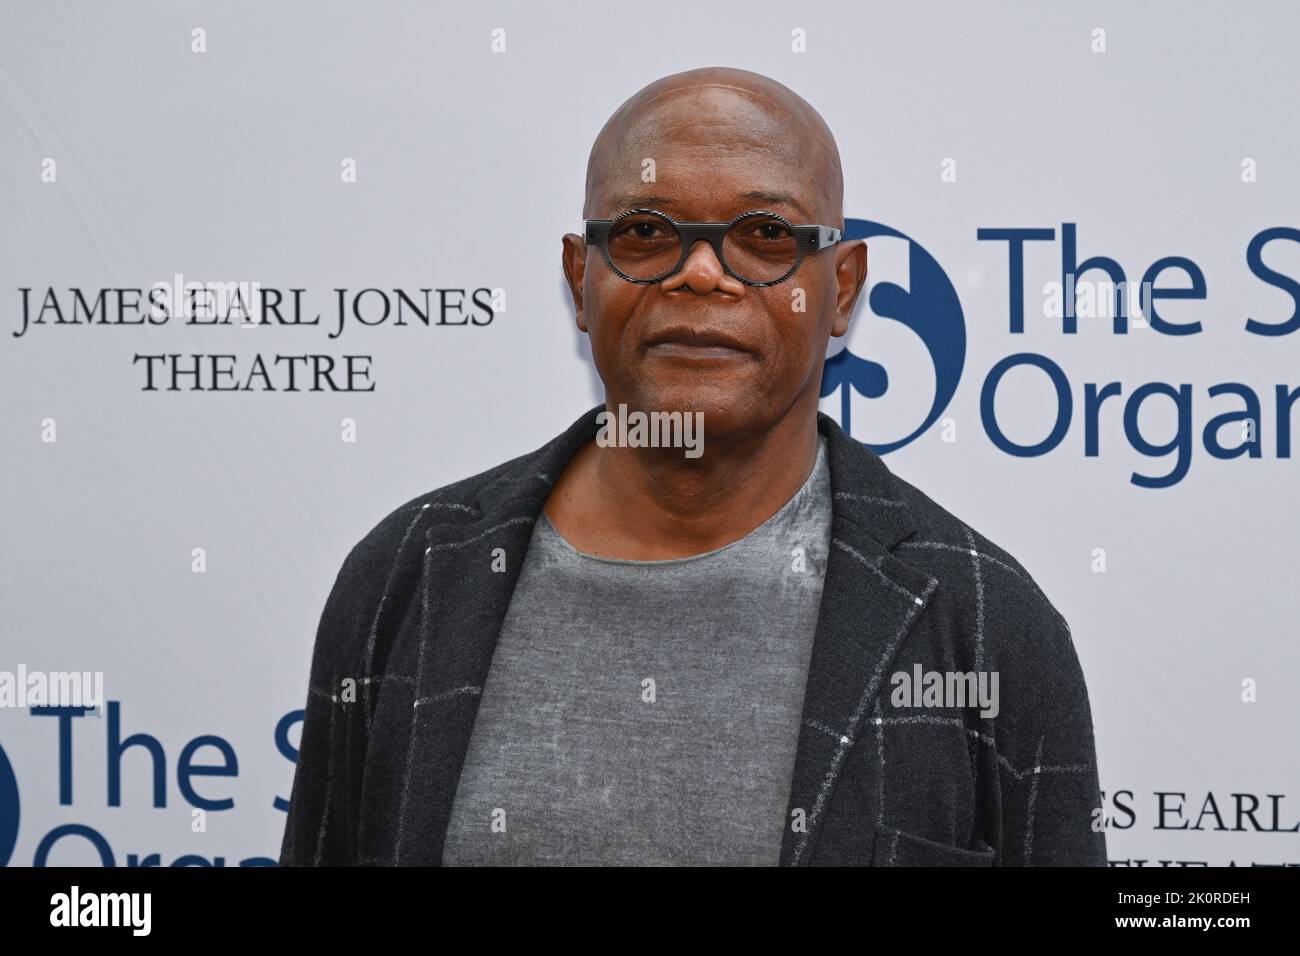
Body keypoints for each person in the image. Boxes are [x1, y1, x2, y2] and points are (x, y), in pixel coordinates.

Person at [279, 66, 1107, 867]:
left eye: (765, 236)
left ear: (843, 288)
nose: (701, 272)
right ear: (580, 277)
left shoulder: (986, 623)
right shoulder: (409, 575)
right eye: (645, 233)